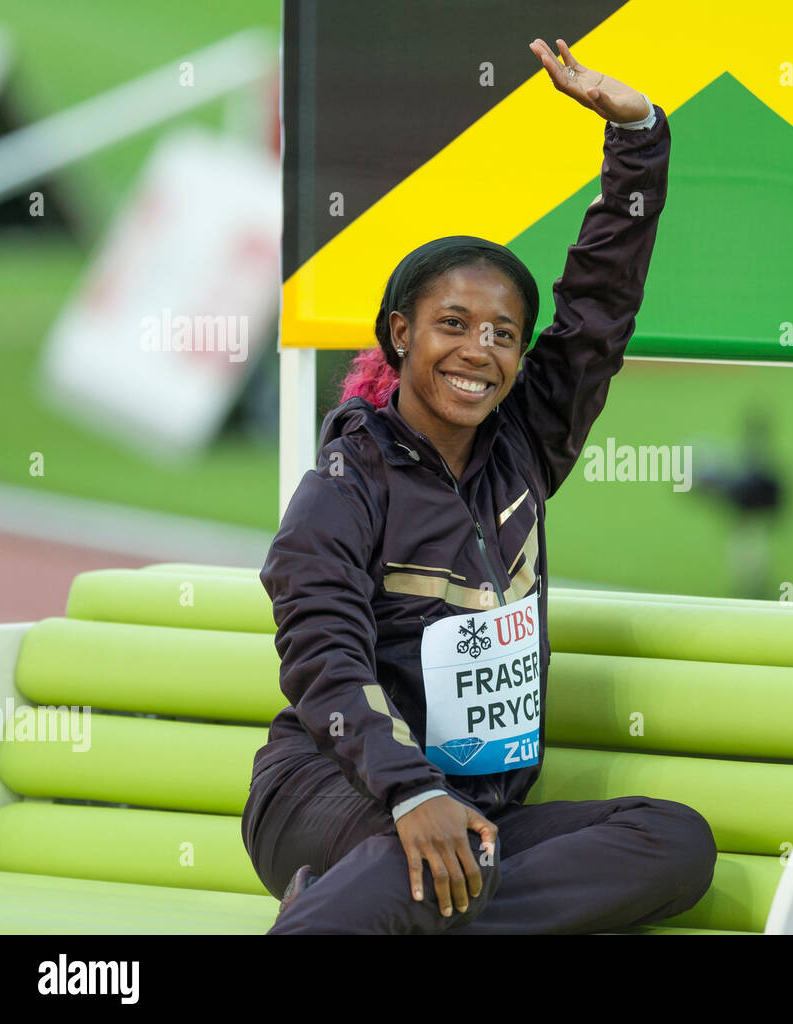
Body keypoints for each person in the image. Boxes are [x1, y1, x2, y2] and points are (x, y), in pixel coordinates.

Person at [240, 38, 717, 934]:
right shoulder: (344, 484)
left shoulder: (525, 448)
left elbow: (597, 312)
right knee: (413, 861)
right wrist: (411, 790)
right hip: (329, 794)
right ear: (398, 335)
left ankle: (395, 913)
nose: (479, 350)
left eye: (503, 333)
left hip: (476, 815)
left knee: (672, 840)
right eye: (451, 325)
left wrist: (640, 139)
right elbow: (324, 661)